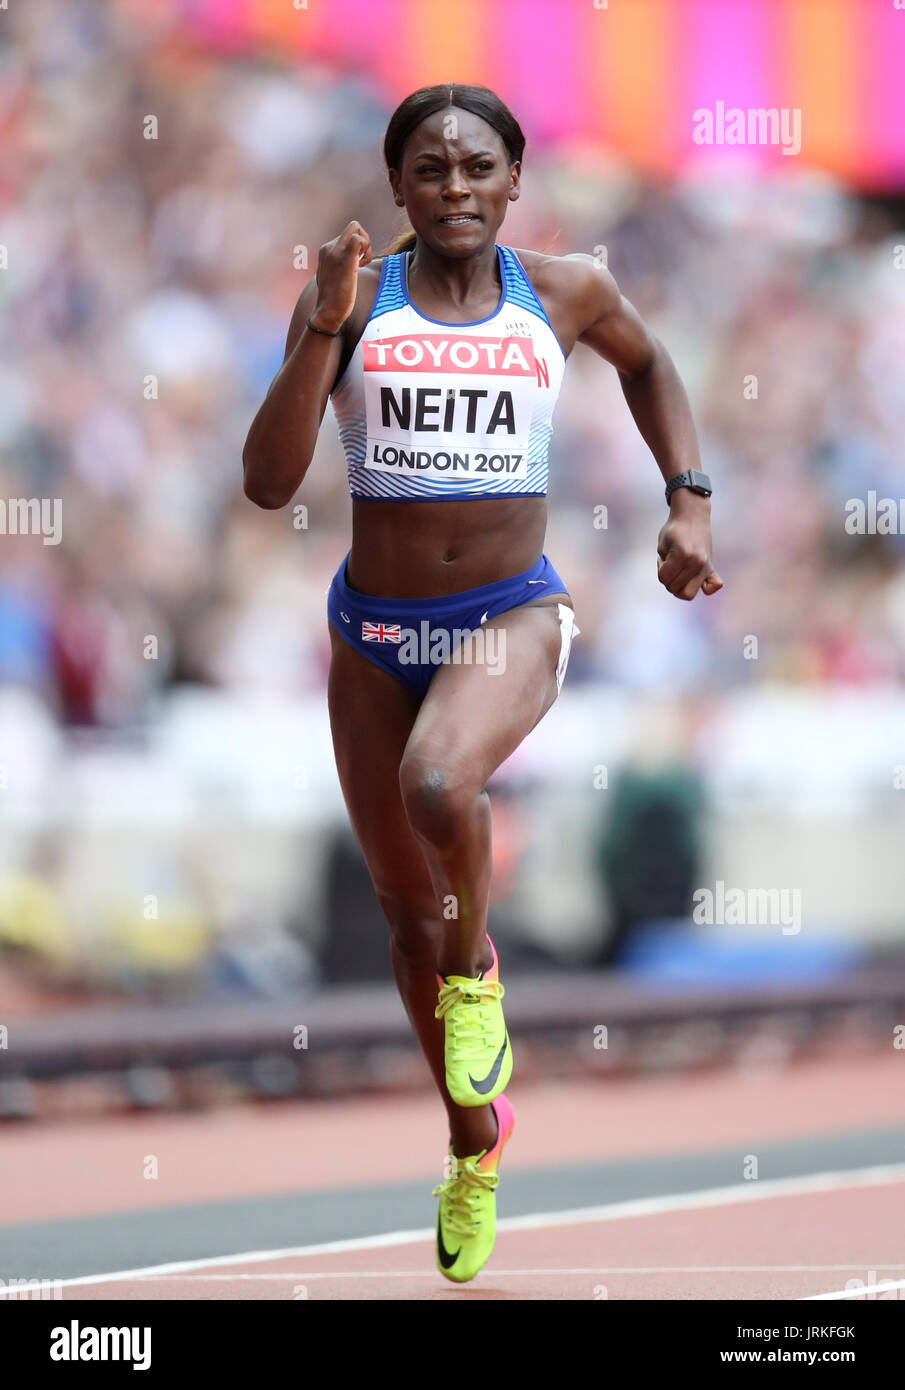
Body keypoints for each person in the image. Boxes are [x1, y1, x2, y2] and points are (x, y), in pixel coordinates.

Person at [243, 82, 722, 1283]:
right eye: (429, 171)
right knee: (407, 918)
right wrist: (317, 324)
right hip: (372, 634)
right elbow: (264, 481)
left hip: (510, 614)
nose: (454, 189)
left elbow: (651, 363)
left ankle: (480, 978)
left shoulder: (565, 292)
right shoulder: (353, 302)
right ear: (395, 185)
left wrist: (689, 501)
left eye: (476, 169)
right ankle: (472, 1147)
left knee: (442, 783)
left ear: (514, 181)